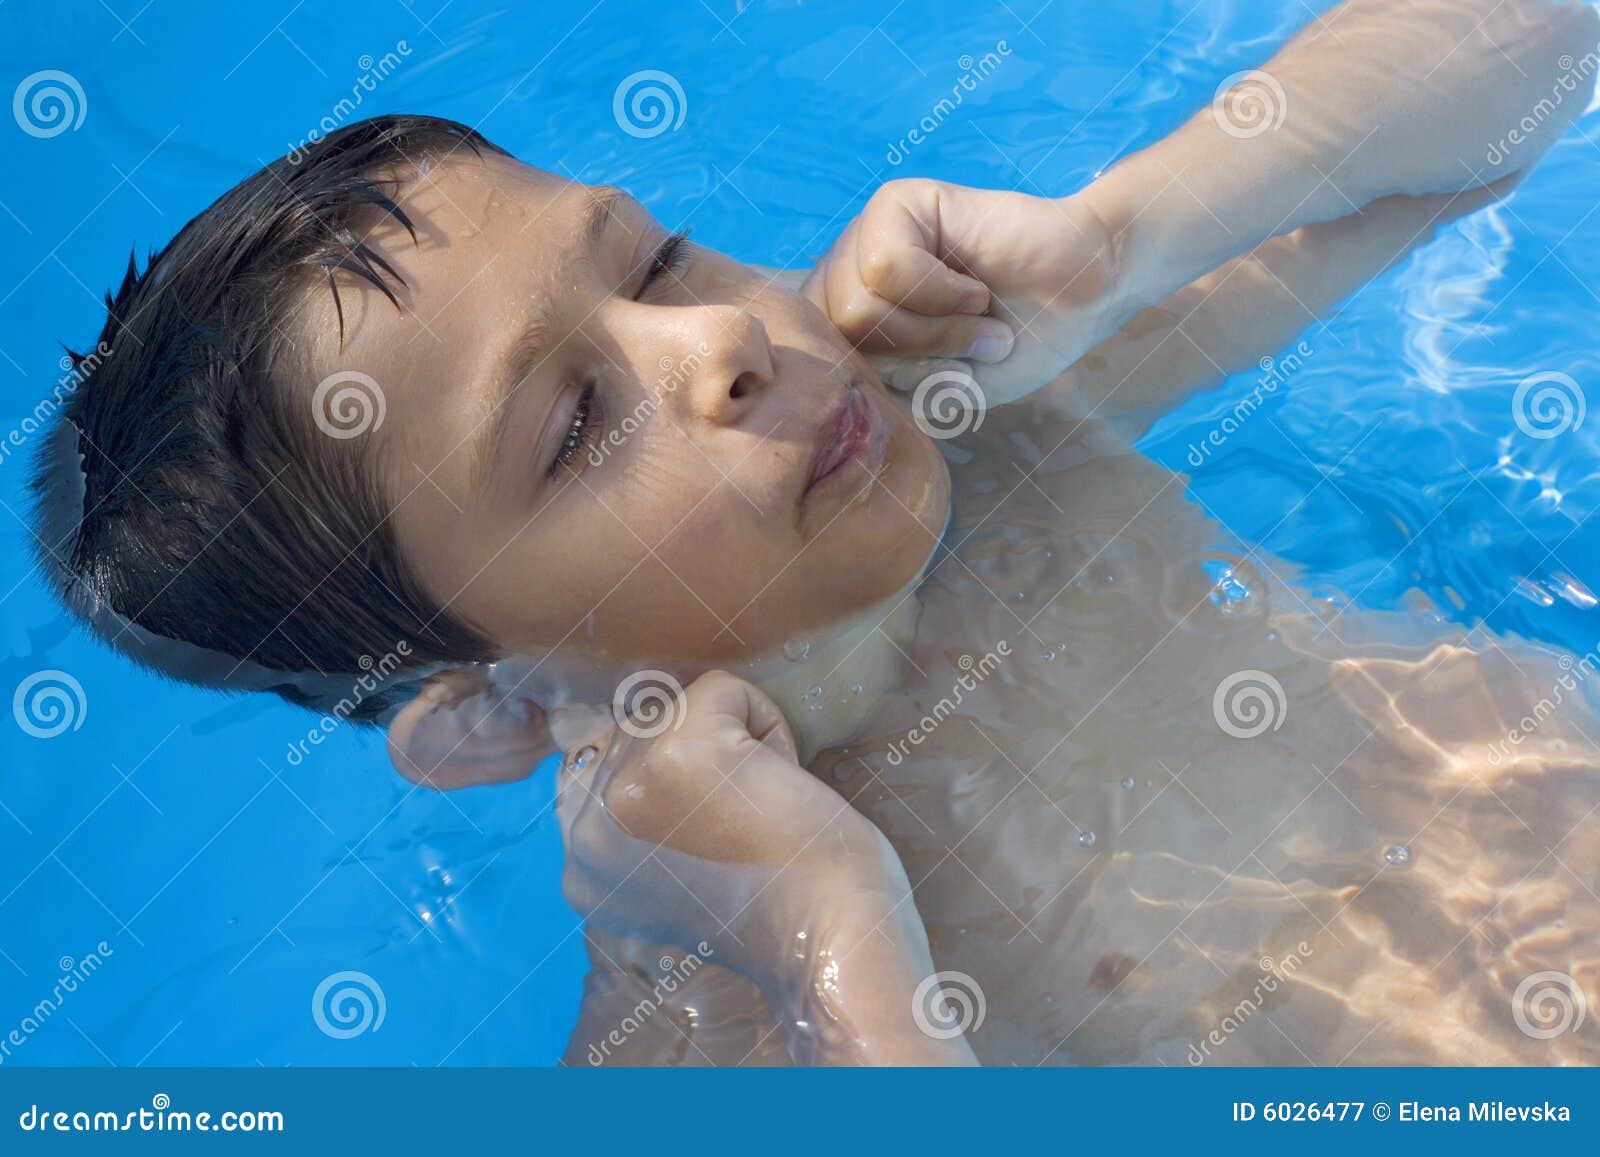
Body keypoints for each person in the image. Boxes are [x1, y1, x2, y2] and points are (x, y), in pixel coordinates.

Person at [33, 0, 1600, 1064]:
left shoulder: (993, 428)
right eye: (575, 427)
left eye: (649, 265)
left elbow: (1531, 72)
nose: (717, 339)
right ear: (483, 706)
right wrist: (833, 931)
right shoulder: (700, 985)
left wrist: (1128, 235)